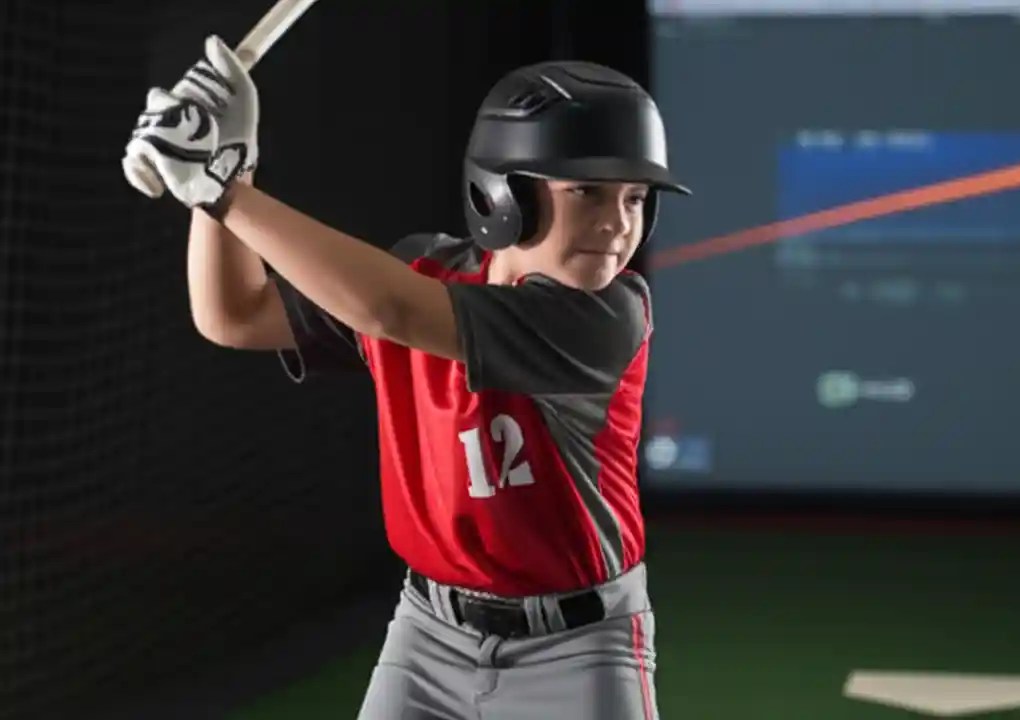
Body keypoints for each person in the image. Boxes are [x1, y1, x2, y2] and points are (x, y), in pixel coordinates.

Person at [123, 35, 690, 720]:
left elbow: (389, 311)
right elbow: (233, 314)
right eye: (588, 191)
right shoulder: (424, 272)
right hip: (428, 634)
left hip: (578, 646)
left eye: (635, 198)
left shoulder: (606, 317)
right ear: (504, 192)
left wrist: (223, 190)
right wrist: (222, 182)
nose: (617, 223)